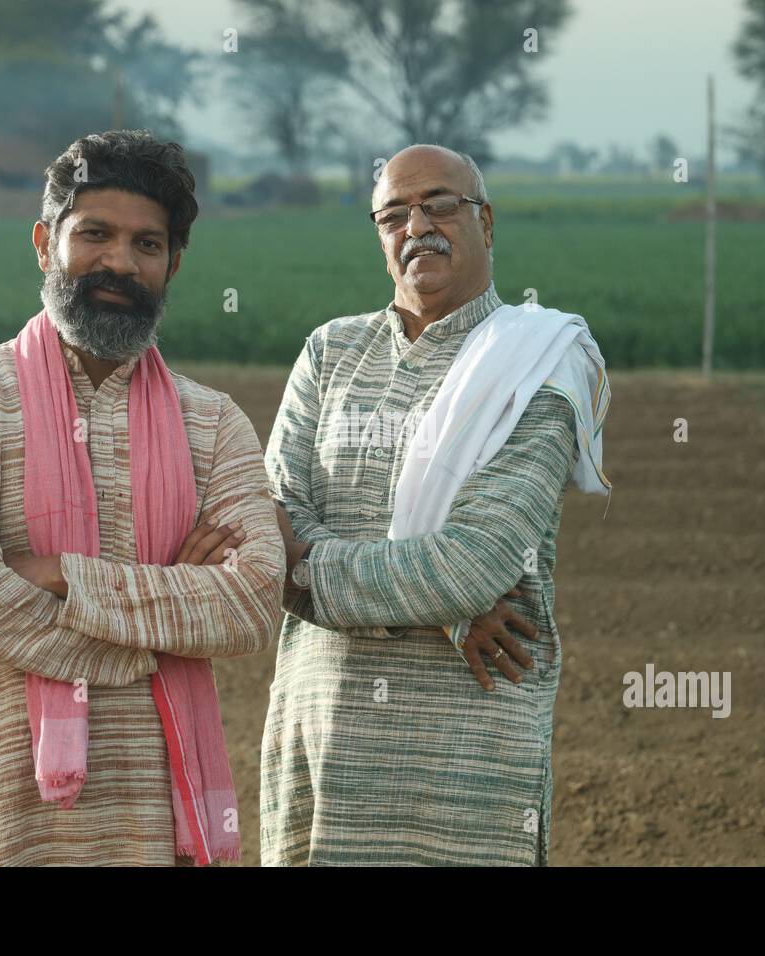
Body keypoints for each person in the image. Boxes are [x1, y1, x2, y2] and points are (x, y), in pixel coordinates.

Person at [0, 130, 283, 866]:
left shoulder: (213, 424)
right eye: (95, 235)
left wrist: (60, 575)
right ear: (45, 243)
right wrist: (164, 622)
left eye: (146, 245)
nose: (119, 263)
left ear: (172, 265)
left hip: (154, 821)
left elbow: (253, 603)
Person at [261, 143, 613, 866]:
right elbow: (269, 516)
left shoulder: (540, 362)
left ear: (485, 222)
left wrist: (307, 572)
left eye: (439, 205)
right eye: (393, 214)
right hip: (325, 732)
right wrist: (446, 607)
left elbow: (473, 564)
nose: (416, 225)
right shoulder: (330, 353)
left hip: (467, 750)